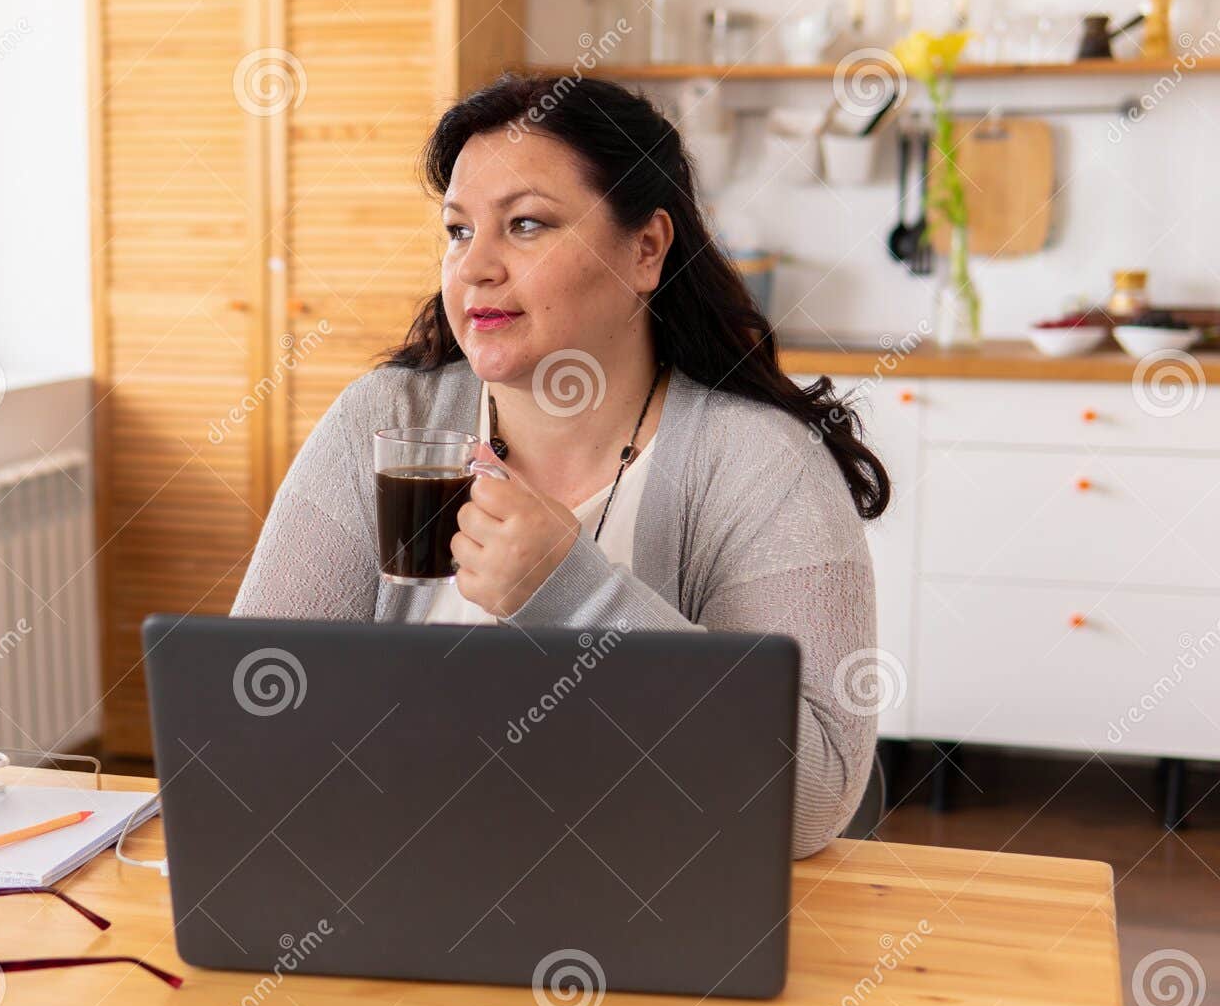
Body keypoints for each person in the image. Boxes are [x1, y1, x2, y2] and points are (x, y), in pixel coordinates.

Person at [231, 75, 890, 858]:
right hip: (396, 893)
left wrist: (572, 595)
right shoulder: (385, 420)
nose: (474, 266)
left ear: (645, 249)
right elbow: (250, 713)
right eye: (457, 231)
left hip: (650, 912)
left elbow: (811, 798)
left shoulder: (760, 467)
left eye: (527, 225)